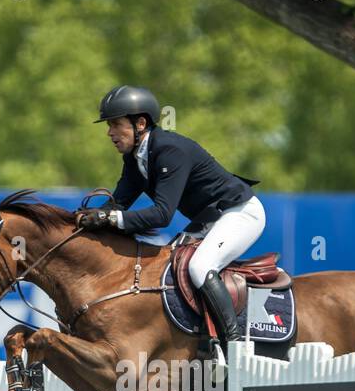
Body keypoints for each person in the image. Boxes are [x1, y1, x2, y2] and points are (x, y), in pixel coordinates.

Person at [76, 85, 265, 360]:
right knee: (169, 266)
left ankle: (234, 347)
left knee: (200, 267)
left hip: (241, 212)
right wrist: (85, 222)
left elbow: (163, 214)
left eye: (116, 124)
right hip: (210, 218)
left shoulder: (169, 150)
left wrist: (110, 218)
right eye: (109, 125)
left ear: (140, 123)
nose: (109, 132)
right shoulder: (134, 157)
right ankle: (198, 342)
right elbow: (118, 204)